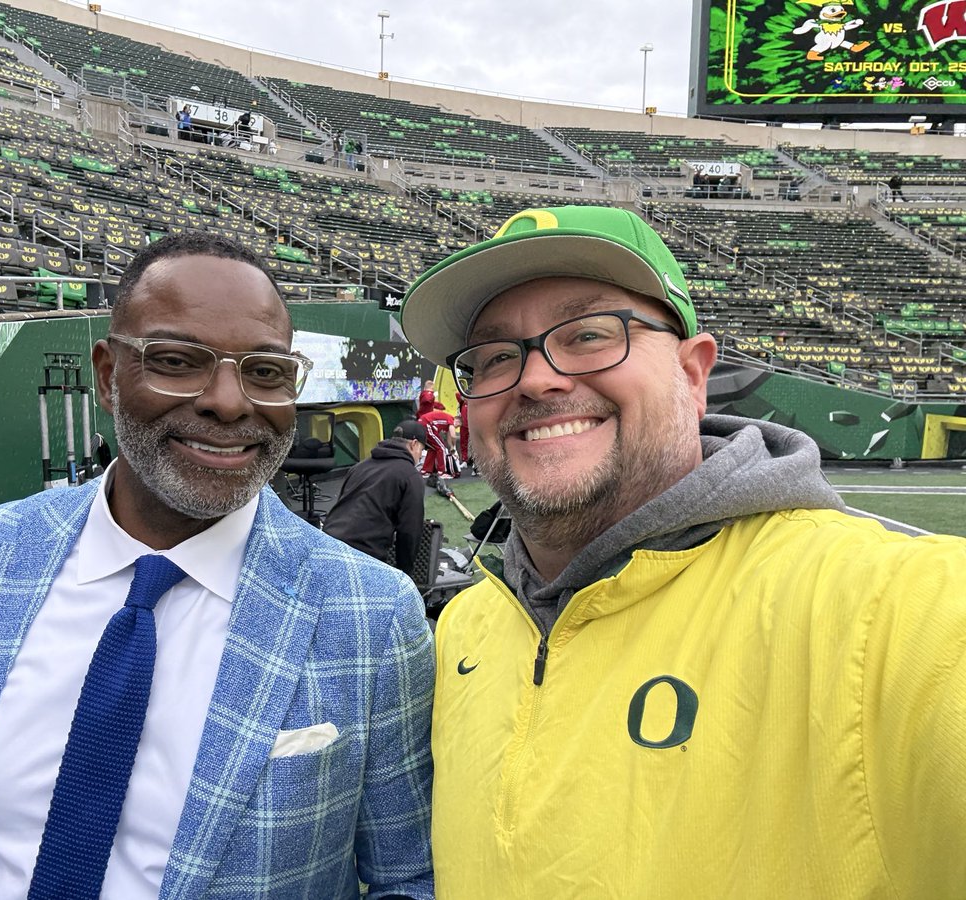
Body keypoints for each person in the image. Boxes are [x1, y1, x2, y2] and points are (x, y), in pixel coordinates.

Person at [399, 204, 966, 897]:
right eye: (492, 358)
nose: (535, 379)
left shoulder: (901, 610)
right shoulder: (468, 624)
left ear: (694, 375)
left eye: (589, 334)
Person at [0, 232, 435, 900]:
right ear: (108, 375)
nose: (229, 401)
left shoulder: (372, 616)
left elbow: (405, 878)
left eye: (266, 371)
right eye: (177, 361)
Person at [322, 419, 427, 581]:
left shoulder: (359, 467)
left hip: (327, 545)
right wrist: (406, 575)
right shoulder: (410, 476)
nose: (420, 457)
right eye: (422, 450)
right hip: (364, 557)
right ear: (414, 444)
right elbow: (409, 532)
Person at [417, 405, 456, 485]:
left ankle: (425, 471)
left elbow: (449, 437)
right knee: (441, 448)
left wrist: (451, 447)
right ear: (457, 421)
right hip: (427, 424)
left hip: (421, 423)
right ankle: (442, 472)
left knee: (433, 448)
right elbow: (453, 435)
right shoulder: (451, 419)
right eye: (457, 426)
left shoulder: (445, 420)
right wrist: (454, 446)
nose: (456, 427)